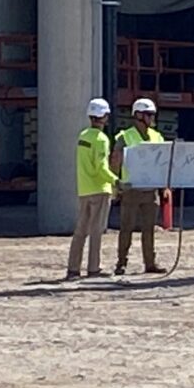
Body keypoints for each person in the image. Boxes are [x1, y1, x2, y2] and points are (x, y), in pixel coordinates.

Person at [111, 97, 168, 276]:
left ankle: (150, 263)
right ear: (138, 116)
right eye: (149, 115)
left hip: (151, 190)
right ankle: (121, 263)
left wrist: (164, 186)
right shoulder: (125, 137)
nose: (152, 118)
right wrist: (116, 185)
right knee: (126, 228)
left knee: (149, 229)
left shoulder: (157, 136)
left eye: (152, 115)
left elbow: (162, 163)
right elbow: (115, 162)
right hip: (131, 189)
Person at [66, 98, 119, 280]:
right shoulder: (101, 139)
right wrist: (116, 180)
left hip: (84, 189)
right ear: (104, 117)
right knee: (96, 230)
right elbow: (101, 168)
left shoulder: (83, 136)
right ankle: (93, 268)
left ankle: (73, 268)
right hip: (100, 189)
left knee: (80, 230)